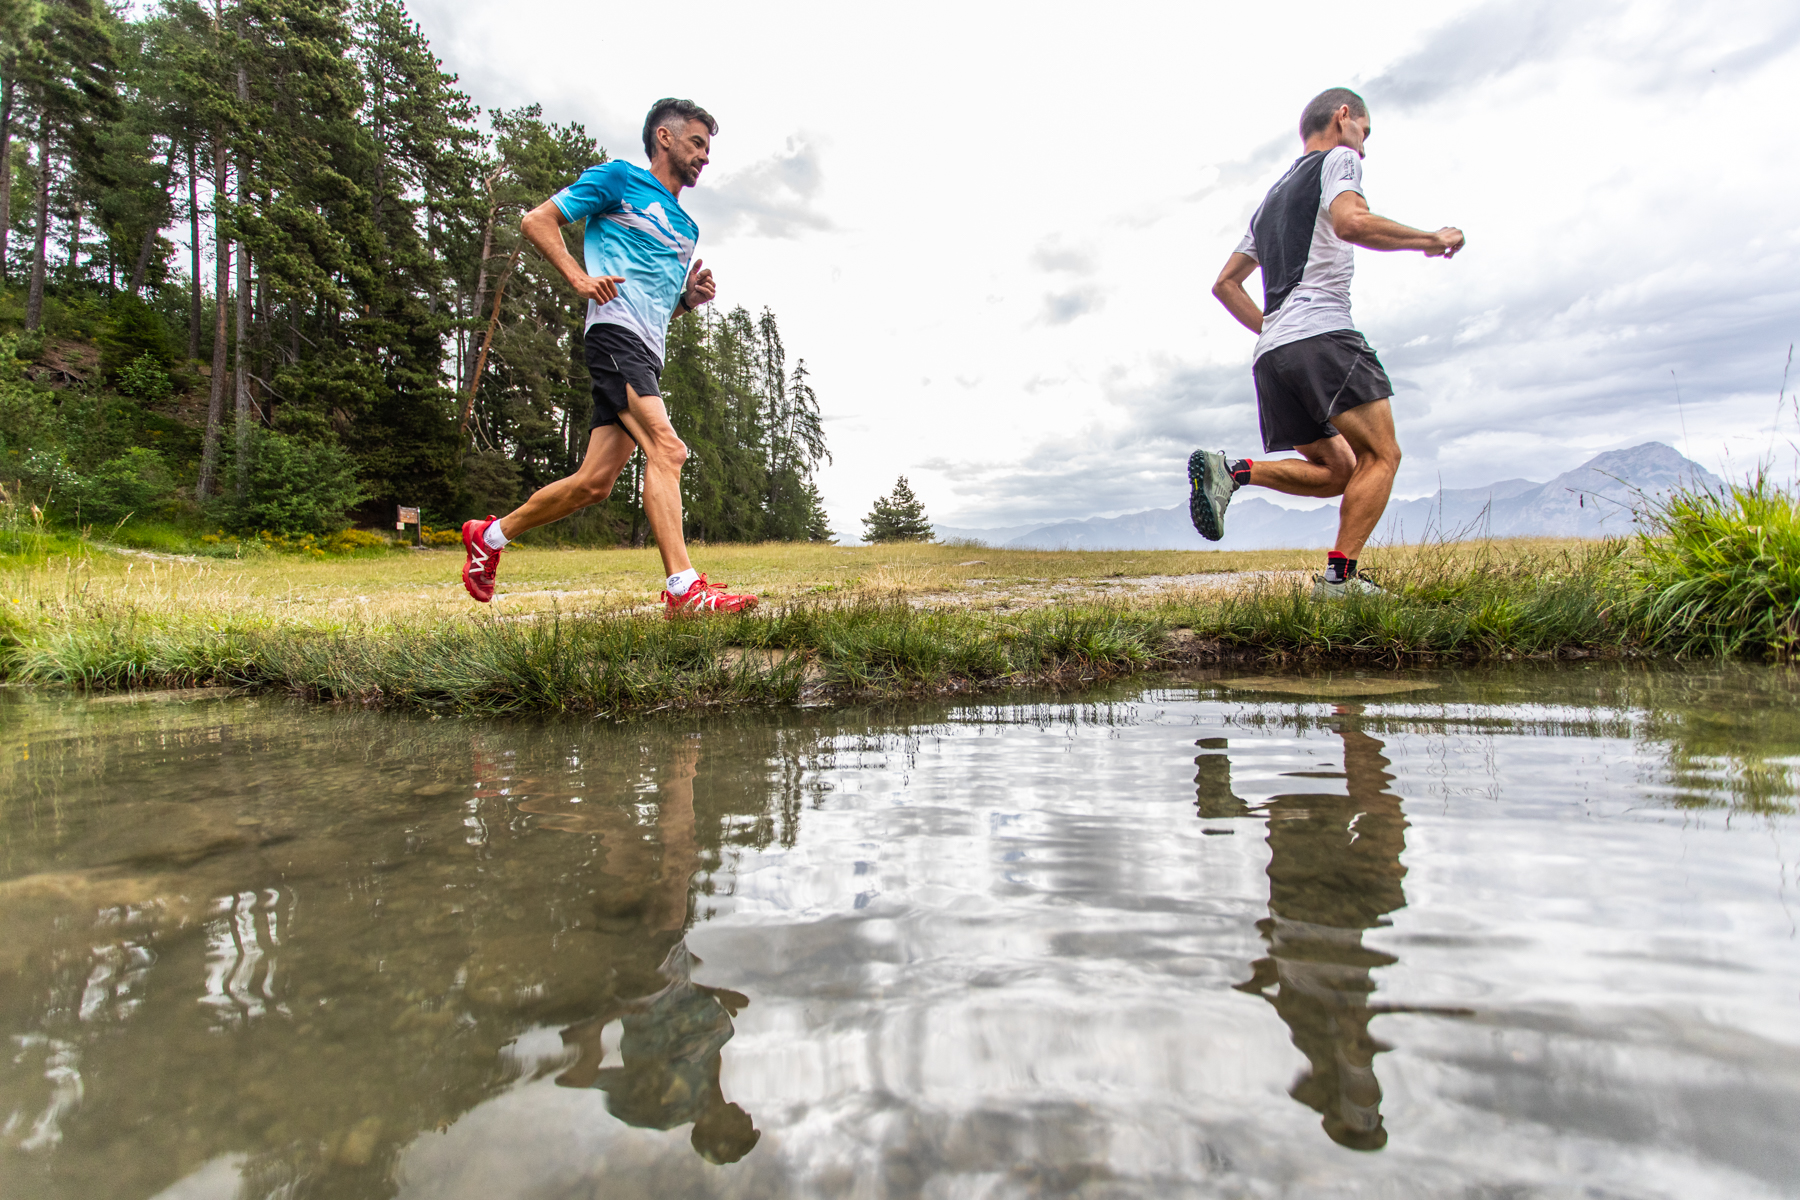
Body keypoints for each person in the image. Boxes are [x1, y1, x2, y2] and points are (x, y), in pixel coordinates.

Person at [460, 97, 759, 616]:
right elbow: (537, 221)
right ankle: (683, 589)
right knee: (668, 449)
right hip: (614, 336)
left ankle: (489, 537)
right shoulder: (619, 179)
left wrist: (687, 300)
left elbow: (658, 307)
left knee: (594, 484)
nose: (704, 157)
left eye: (708, 149)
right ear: (664, 137)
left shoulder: (687, 229)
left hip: (646, 348)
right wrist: (578, 278)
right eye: (696, 143)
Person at [1191, 87, 1464, 597]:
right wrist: (1432, 239)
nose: (1364, 148)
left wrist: (1278, 330)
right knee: (1382, 454)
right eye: (1365, 132)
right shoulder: (1338, 159)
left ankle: (1231, 472)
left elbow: (1225, 284)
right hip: (1321, 334)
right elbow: (1350, 222)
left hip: (1273, 356)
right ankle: (1340, 580)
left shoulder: (1270, 202)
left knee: (1338, 470)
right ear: (1343, 118)